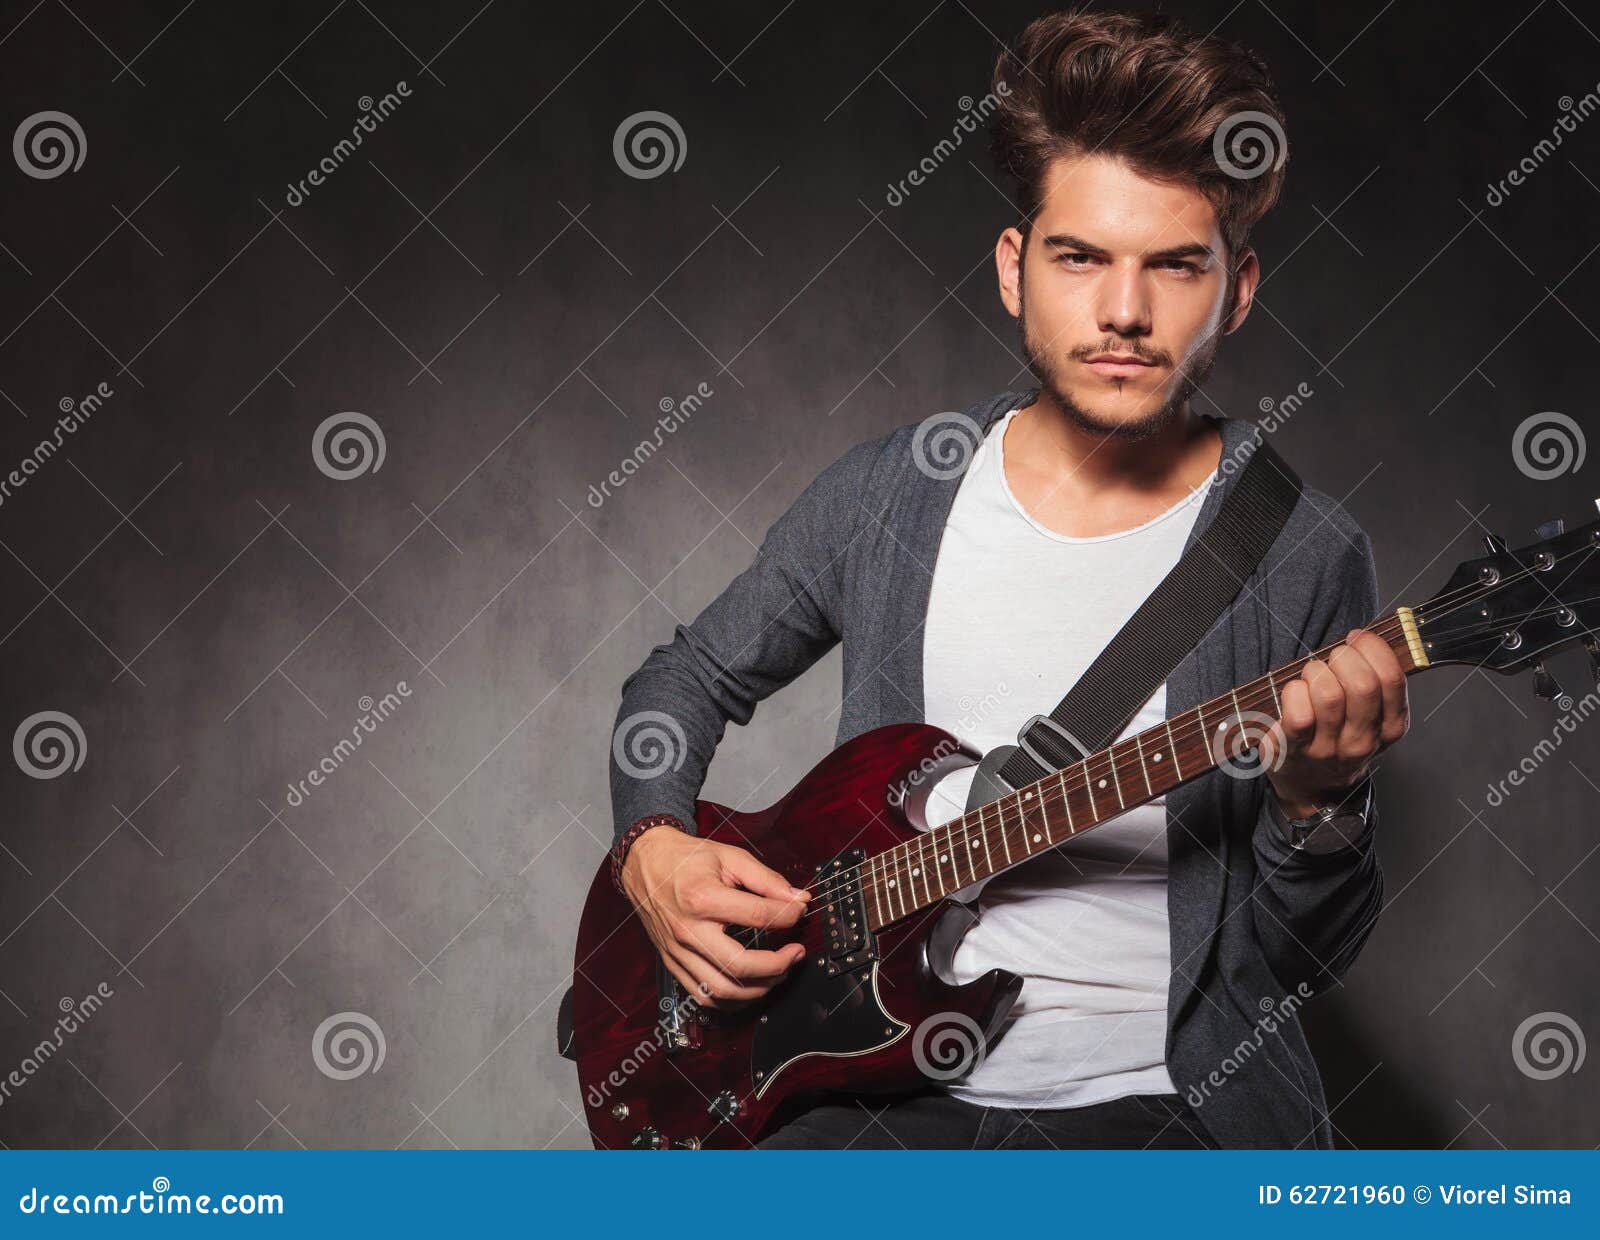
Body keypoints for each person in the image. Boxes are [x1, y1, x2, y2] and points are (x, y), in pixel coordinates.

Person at [605, 7, 1409, 1149]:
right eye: (1081, 258)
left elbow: (1296, 959)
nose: (1124, 312)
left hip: (1158, 1106)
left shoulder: (1304, 552)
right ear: (1014, 269)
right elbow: (679, 681)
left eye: (1173, 267)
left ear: (1235, 289)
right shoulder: (893, 495)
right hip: (869, 1080)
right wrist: (653, 845)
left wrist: (1320, 805)